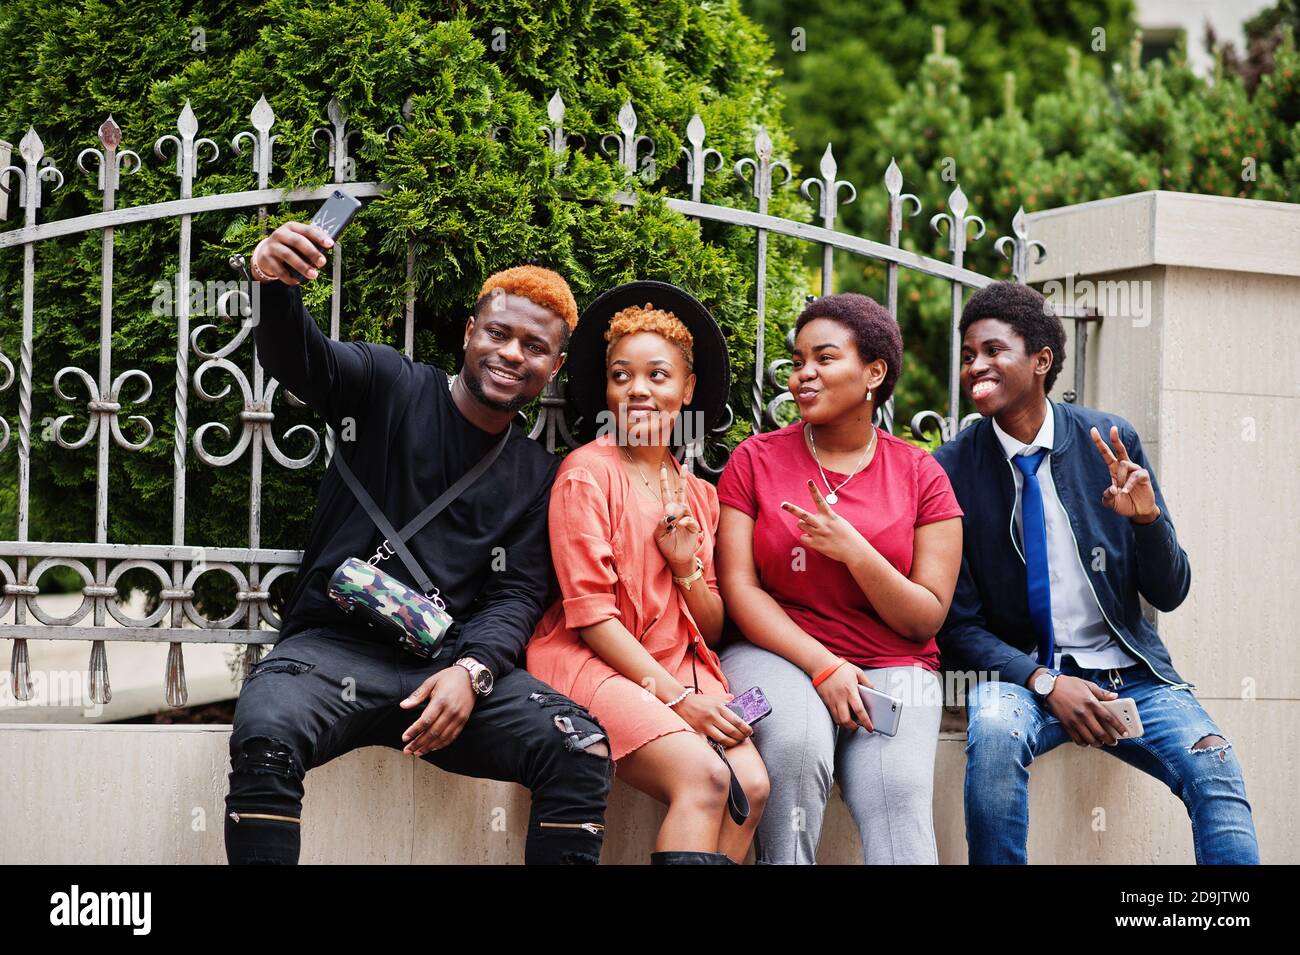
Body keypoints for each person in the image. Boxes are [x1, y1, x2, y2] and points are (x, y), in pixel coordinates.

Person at [224, 220, 612, 865]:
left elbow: (516, 596)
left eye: (534, 347)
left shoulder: (539, 475)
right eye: (498, 333)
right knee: (266, 733)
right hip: (331, 650)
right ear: (470, 333)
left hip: (446, 670)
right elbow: (301, 357)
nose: (513, 353)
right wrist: (272, 284)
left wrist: (473, 672)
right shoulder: (387, 384)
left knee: (578, 749)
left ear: (555, 366)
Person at [933, 280, 1259, 864]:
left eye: (991, 351)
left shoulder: (1107, 441)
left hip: (1129, 674)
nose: (975, 366)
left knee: (1215, 765)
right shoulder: (951, 468)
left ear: (1041, 360)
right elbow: (957, 625)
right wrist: (1046, 682)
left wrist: (1147, 521)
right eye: (967, 356)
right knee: (994, 737)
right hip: (1022, 678)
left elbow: (1170, 589)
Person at [716, 292, 964, 864]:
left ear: (874, 372)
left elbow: (925, 615)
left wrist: (857, 553)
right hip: (773, 651)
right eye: (799, 361)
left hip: (893, 666)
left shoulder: (922, 474)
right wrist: (822, 665)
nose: (804, 375)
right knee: (797, 747)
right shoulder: (755, 459)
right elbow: (739, 589)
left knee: (899, 794)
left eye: (824, 359)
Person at [527, 281, 769, 864]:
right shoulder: (586, 475)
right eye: (621, 375)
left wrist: (685, 565)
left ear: (686, 389)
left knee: (753, 789)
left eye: (657, 376)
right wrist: (678, 702)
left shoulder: (700, 496)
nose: (637, 389)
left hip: (680, 663)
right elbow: (591, 620)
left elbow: (711, 628)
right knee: (705, 779)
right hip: (596, 662)